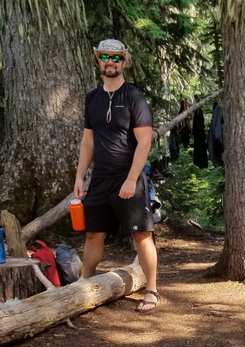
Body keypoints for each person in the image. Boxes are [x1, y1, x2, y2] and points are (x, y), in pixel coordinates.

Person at [73, 38, 159, 313]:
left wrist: (132, 179)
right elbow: (88, 142)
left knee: (141, 235)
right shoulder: (92, 98)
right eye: (105, 57)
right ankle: (82, 285)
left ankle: (152, 289)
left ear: (125, 61)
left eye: (116, 58)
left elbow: (145, 141)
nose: (111, 63)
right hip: (100, 178)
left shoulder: (133, 96)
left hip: (129, 176)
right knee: (93, 235)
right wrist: (80, 176)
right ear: (98, 59)